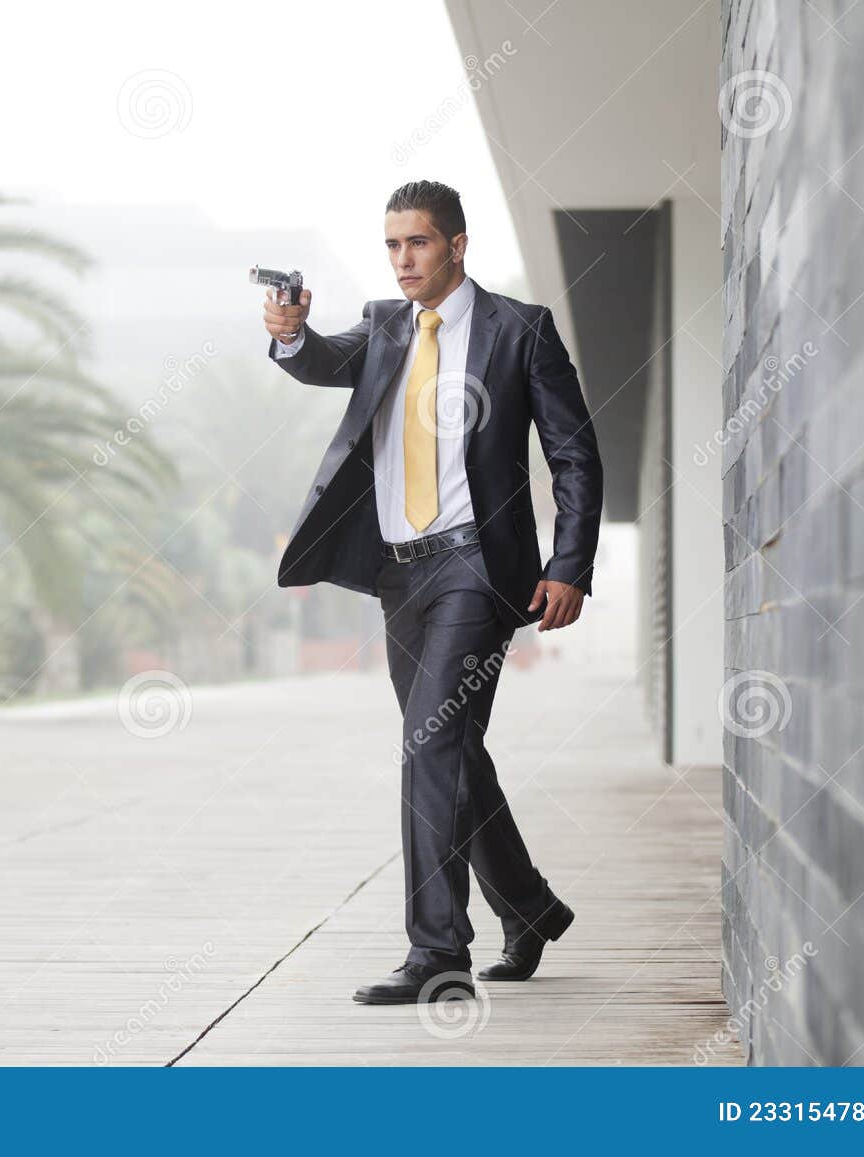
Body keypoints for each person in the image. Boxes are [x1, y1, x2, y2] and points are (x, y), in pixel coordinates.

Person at [260, 180, 604, 1004]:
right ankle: (530, 907)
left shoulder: (521, 330)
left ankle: (438, 951)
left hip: (477, 571)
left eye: (416, 243)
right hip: (399, 574)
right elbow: (317, 362)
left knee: (428, 744)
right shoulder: (383, 328)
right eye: (390, 245)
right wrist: (290, 332)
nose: (402, 259)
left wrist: (568, 565)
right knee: (448, 748)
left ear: (456, 243)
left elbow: (575, 455)